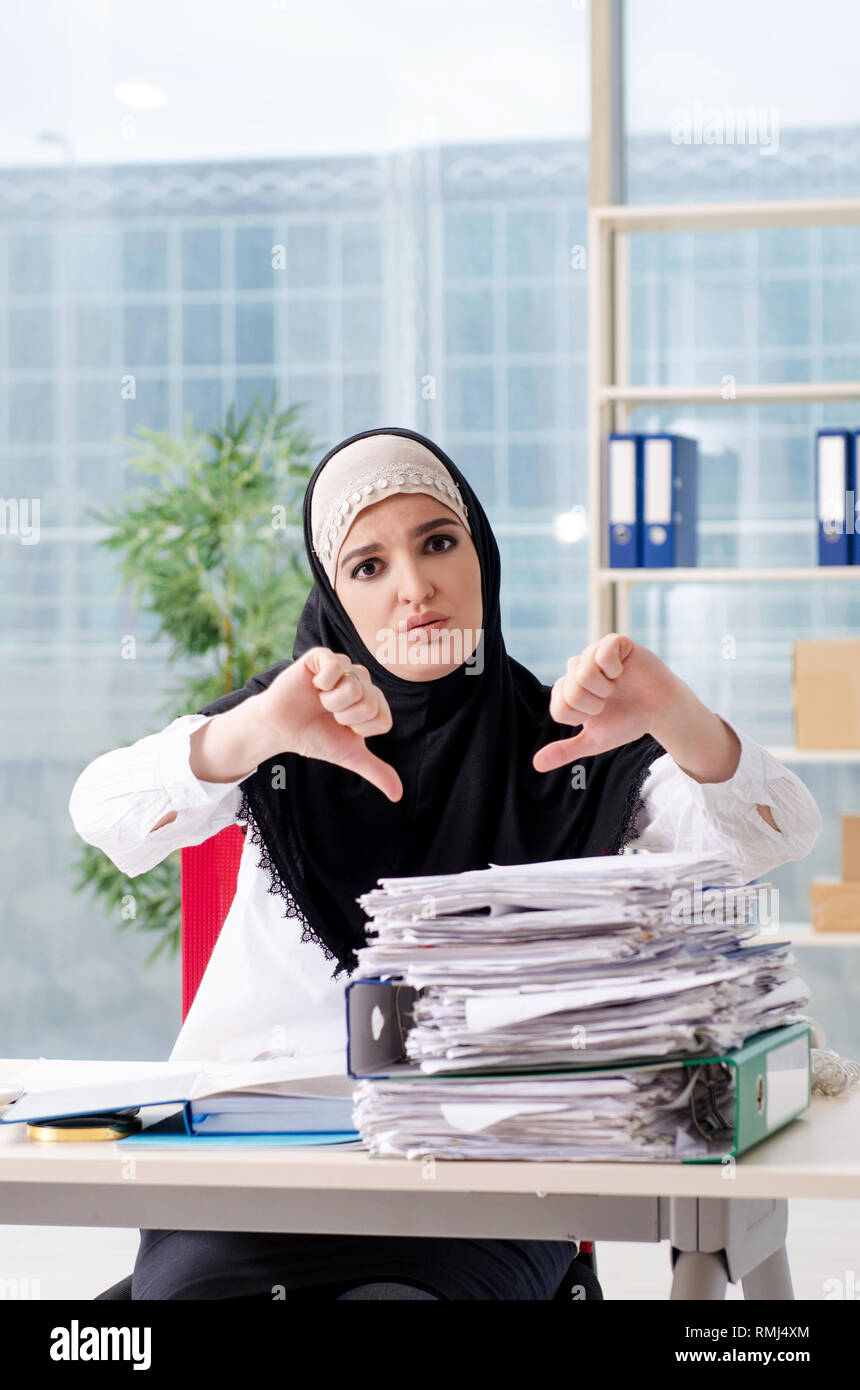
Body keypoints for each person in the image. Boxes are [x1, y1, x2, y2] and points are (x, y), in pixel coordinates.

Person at [69, 425, 822, 1300]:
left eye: (437, 543)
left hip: (483, 1182)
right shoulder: (284, 727)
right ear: (335, 596)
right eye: (368, 567)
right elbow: (103, 815)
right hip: (255, 1180)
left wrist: (676, 713)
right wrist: (249, 733)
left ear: (481, 554)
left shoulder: (571, 743)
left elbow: (778, 831)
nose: (415, 589)